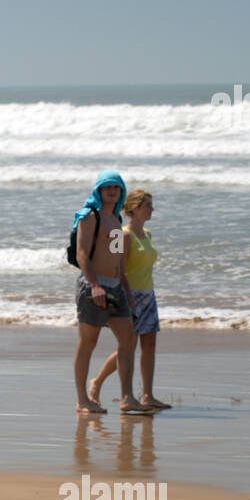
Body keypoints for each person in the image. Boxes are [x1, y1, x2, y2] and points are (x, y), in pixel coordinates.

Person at [71, 171, 151, 415]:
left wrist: (126, 289)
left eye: (116, 187)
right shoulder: (90, 217)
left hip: (116, 287)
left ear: (121, 191)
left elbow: (117, 260)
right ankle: (82, 400)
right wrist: (95, 285)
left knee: (128, 339)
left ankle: (127, 398)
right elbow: (82, 254)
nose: (112, 190)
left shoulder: (116, 220)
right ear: (99, 190)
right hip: (92, 286)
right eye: (107, 187)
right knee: (88, 343)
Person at [89, 189, 171, 410]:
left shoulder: (148, 234)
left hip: (148, 295)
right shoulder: (121, 234)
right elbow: (115, 267)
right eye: (148, 206)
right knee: (127, 346)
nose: (152, 210)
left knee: (149, 345)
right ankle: (97, 382)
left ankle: (148, 395)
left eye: (152, 206)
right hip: (128, 295)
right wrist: (121, 296)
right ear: (135, 208)